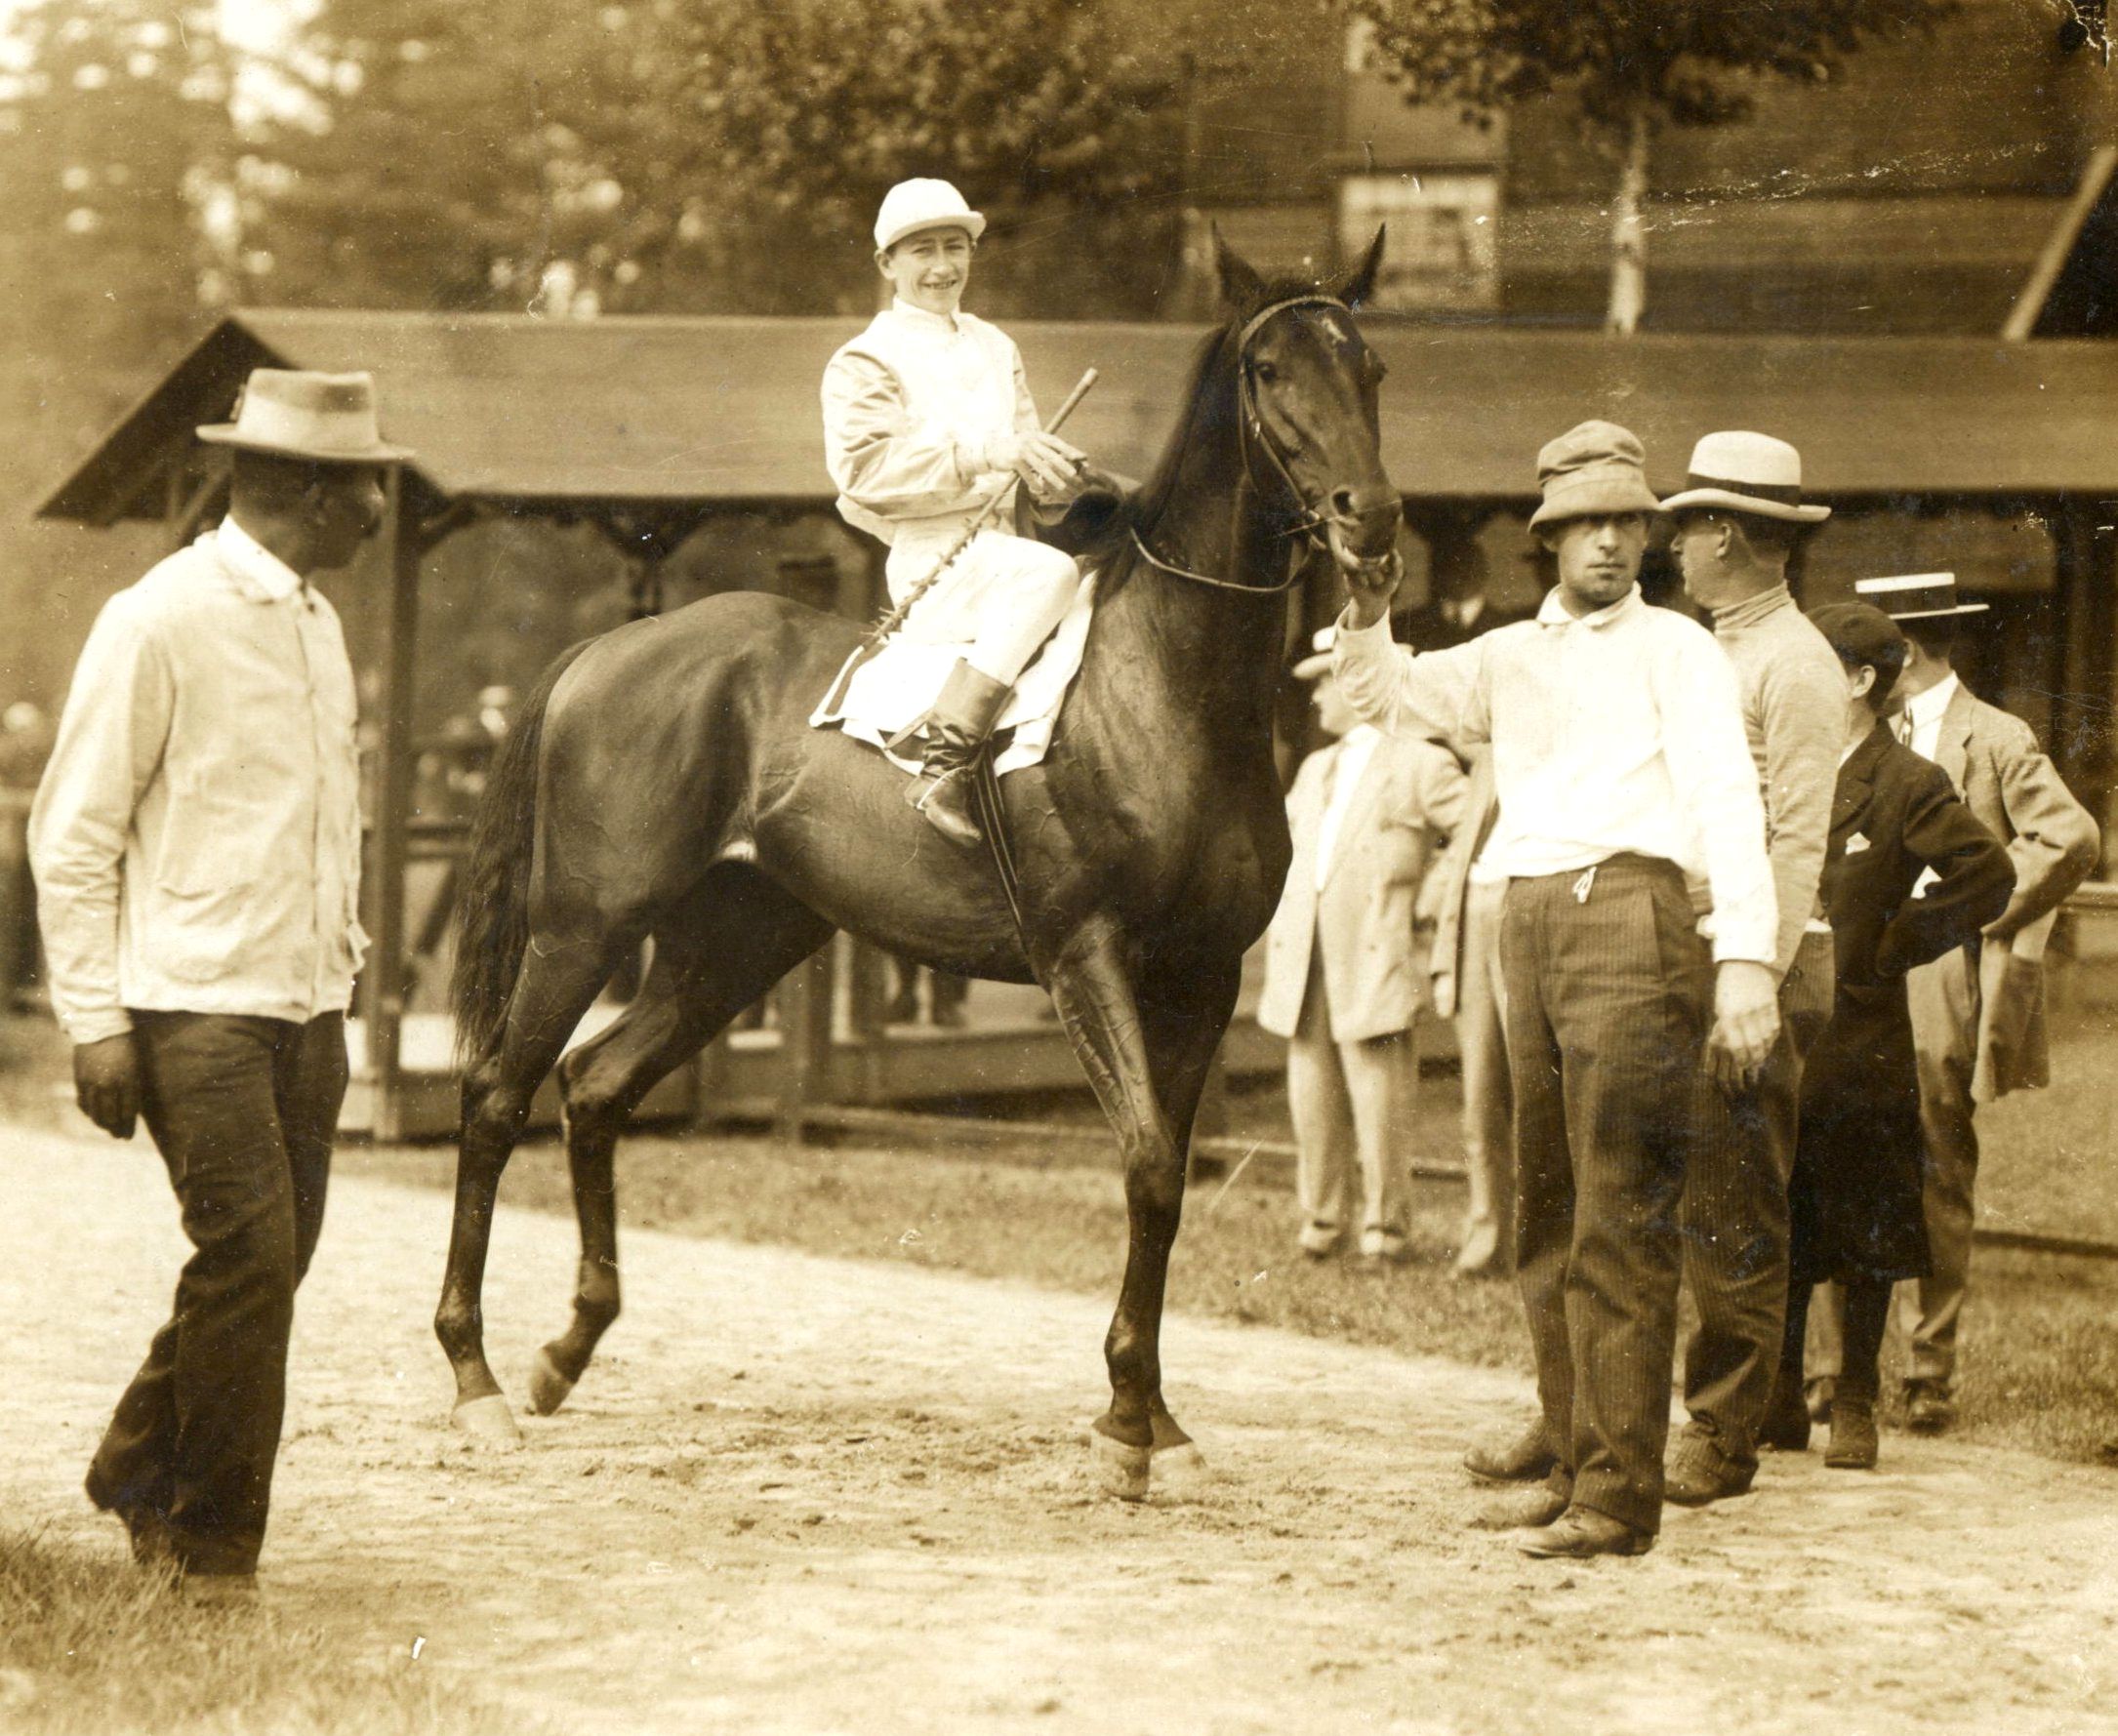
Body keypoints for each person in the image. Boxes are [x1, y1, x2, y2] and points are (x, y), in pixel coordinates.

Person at [1334, 421, 1779, 1558]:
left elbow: (1730, 800)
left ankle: (1619, 1498)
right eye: (1588, 522)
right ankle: (1576, 1454)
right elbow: (1382, 695)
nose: (1611, 543)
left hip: (1631, 915)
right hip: (1523, 917)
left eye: (1629, 521)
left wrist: (1743, 960)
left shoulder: (1679, 650)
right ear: (1549, 536)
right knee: (1545, 1210)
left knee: (1621, 1210)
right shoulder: (1507, 655)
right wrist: (1367, 598)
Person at [29, 368, 400, 1593]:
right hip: (190, 1005)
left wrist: (337, 985)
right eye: (364, 484)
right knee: (247, 1254)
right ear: (301, 488)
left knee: (269, 1259)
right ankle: (207, 1549)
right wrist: (96, 1023)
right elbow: (73, 835)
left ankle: (136, 1462)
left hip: (307, 1002)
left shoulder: (316, 623)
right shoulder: (159, 618)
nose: (380, 507)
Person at [1801, 572, 2098, 1433]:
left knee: (1933, 1155)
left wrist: (1985, 920)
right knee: (1829, 1143)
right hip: (1846, 968)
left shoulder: (1994, 736)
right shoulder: (1835, 739)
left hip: (1937, 970)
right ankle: (1831, 1371)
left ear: (1905, 647)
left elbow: (2071, 836)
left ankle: (1927, 1368)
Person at [1773, 603, 2015, 1471]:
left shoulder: (1907, 778)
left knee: (1867, 1209)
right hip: (1776, 1016)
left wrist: (1893, 944)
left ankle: (1857, 1398)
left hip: (1860, 1025)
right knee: (1783, 1193)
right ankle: (1778, 1395)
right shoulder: (1782, 770)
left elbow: (1988, 872)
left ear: (1860, 680)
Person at [1658, 431, 1846, 1506]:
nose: (1675, 545)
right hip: (1684, 947)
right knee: (1675, 1190)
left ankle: (1722, 1431)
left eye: (1687, 524)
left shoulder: (1796, 663)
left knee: (1734, 1198)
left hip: (1759, 961)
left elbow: (1797, 841)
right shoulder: (1705, 648)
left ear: (1724, 533)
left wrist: (1754, 980)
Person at [821, 178, 1093, 847]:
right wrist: (989, 453)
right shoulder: (864, 359)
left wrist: (1056, 477)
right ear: (887, 263)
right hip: (933, 562)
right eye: (922, 251)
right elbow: (864, 472)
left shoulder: (996, 347)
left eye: (955, 247)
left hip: (1003, 549)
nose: (942, 266)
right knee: (1050, 576)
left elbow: (1022, 460)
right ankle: (944, 760)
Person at [1258, 627, 1467, 1263]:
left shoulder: (1421, 760)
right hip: (1307, 955)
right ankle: (1321, 1224)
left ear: (1359, 683)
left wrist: (1426, 899)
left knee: (1379, 1100)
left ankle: (1385, 1231)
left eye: (1326, 679)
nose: (1317, 696)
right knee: (1311, 1093)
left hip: (1375, 951)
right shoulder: (1317, 767)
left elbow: (1473, 834)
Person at [1423, 747, 1513, 1277]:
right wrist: (1444, 962)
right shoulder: (1487, 763)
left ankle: (1551, 1239)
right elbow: (1459, 866)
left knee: (1543, 1095)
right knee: (1481, 1100)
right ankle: (1489, 1236)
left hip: (1532, 916)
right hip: (1478, 923)